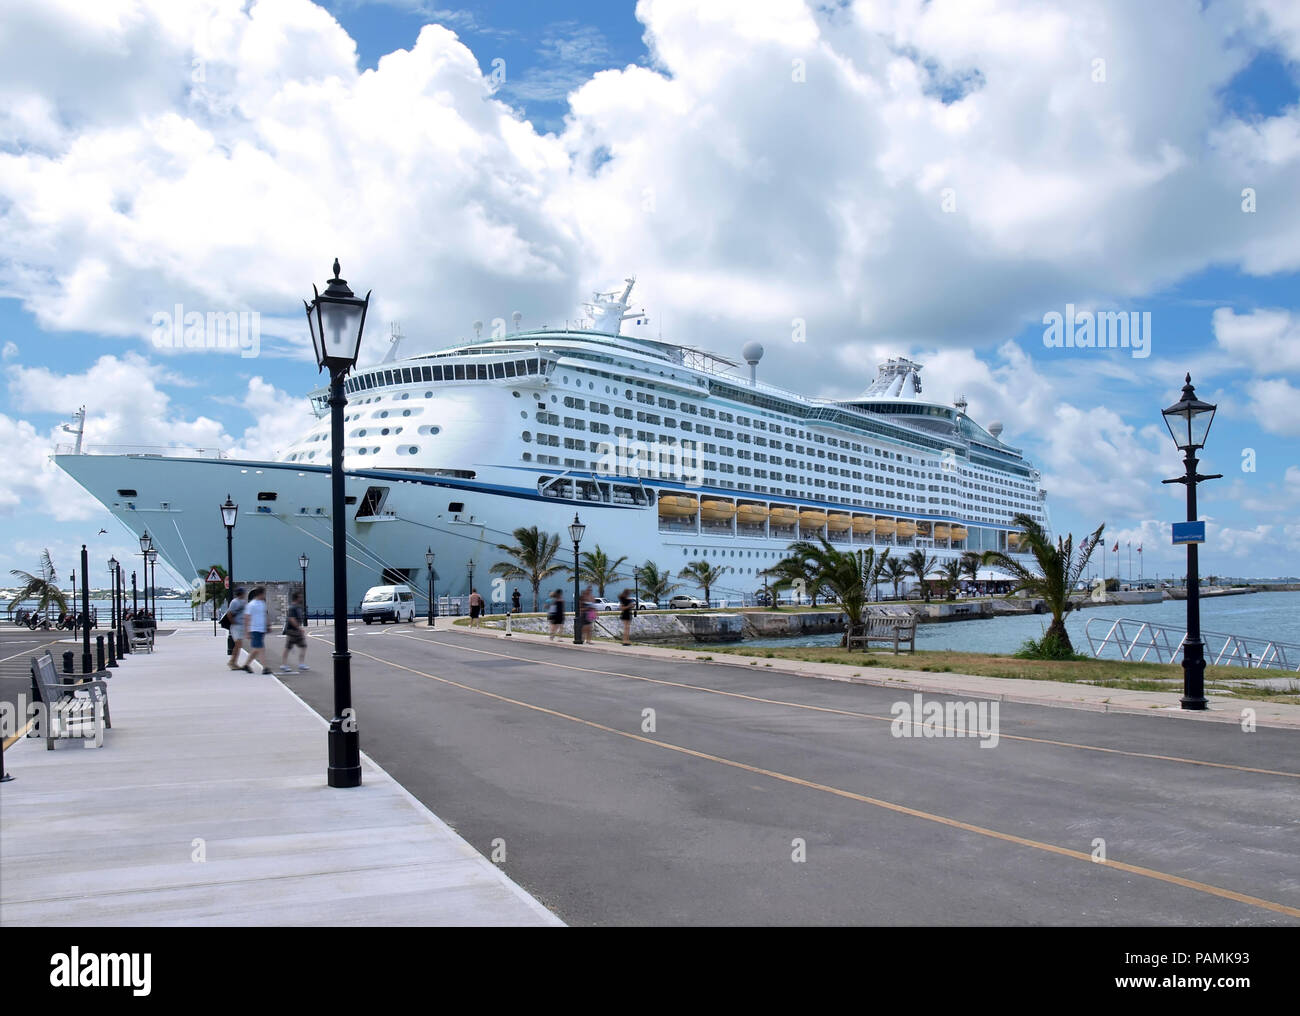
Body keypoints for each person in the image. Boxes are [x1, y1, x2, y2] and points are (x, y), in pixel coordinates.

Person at [280, 590, 308, 673]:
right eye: (300, 597)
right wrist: (299, 628)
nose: (301, 598)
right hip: (292, 631)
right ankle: (284, 665)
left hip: (296, 631)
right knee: (288, 647)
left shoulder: (298, 607)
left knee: (303, 646)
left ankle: (301, 664)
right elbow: (291, 619)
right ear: (296, 598)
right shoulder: (292, 607)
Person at [245, 586, 268, 673]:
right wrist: (247, 631)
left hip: (261, 629)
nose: (264, 596)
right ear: (259, 594)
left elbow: (265, 615)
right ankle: (265, 668)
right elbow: (247, 618)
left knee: (256, 650)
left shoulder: (262, 604)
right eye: (263, 594)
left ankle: (246, 665)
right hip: (254, 629)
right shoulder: (251, 604)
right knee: (261, 648)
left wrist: (267, 625)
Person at [225, 587, 248, 671]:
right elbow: (229, 613)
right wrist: (234, 622)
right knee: (238, 644)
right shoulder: (235, 602)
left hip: (241, 626)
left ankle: (233, 662)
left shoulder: (243, 602)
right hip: (236, 626)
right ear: (242, 593)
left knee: (238, 645)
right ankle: (232, 662)